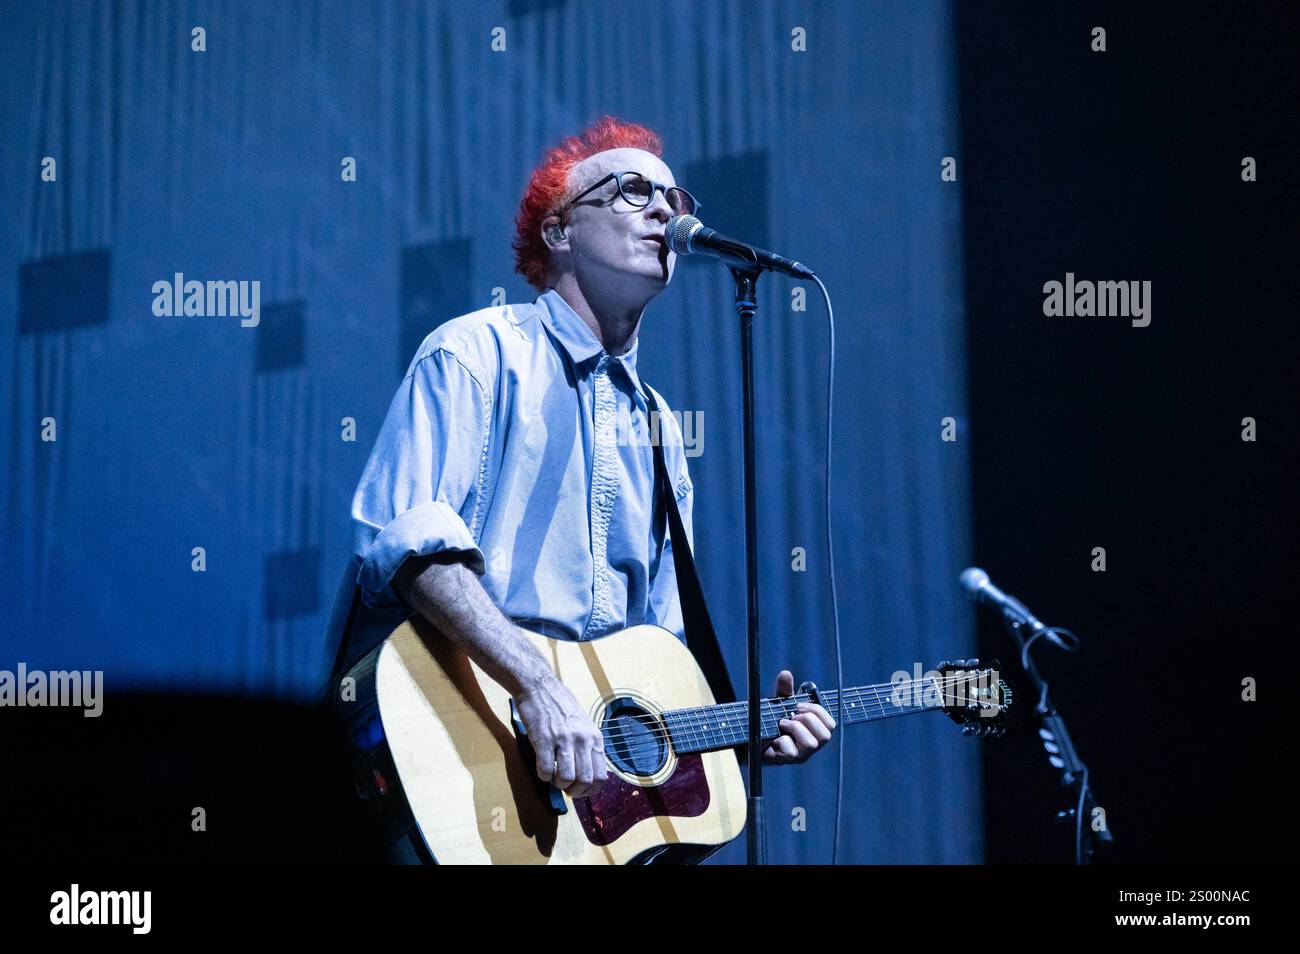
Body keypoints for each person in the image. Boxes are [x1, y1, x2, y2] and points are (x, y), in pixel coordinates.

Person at [332, 116, 834, 861]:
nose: (667, 211)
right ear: (560, 232)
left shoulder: (661, 428)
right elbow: (406, 544)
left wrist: (745, 735)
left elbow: (653, 659)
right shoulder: (476, 355)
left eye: (673, 195)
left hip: (574, 807)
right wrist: (536, 682)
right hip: (454, 741)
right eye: (633, 191)